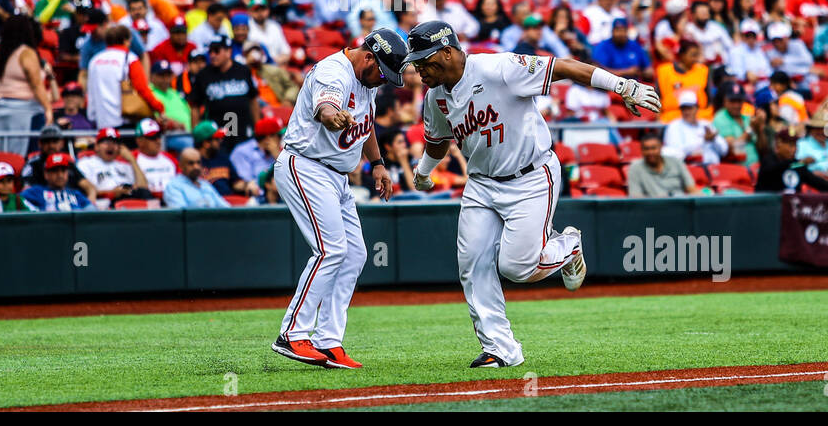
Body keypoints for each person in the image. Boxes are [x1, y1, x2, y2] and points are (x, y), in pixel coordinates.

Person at [405, 20, 660, 368]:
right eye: (416, 63)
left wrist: (622, 85)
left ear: (447, 51)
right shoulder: (435, 97)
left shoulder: (499, 68)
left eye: (423, 61)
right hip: (481, 184)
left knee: (517, 267)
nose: (418, 70)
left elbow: (565, 67)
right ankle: (500, 348)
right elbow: (437, 142)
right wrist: (422, 172)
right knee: (473, 264)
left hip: (531, 176)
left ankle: (568, 245)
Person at [270, 29, 406, 368]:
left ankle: (328, 340)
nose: (383, 82)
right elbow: (325, 107)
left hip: (336, 175)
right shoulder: (335, 71)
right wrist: (332, 116)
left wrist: (377, 163)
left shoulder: (366, 81)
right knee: (331, 249)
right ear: (369, 57)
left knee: (355, 253)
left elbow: (368, 124)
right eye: (383, 73)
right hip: (306, 165)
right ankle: (292, 332)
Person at [0, 15, 53, 156]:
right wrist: (48, 109)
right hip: (26, 113)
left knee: (2, 155)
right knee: (26, 156)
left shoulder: (1, 54)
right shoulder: (27, 53)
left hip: (1, 110)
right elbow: (36, 84)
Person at [755, 127, 828, 192]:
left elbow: (815, 181)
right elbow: (771, 170)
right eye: (791, 145)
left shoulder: (797, 165)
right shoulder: (769, 159)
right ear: (778, 145)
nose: (794, 149)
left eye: (795, 145)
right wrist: (798, 162)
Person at [626, 131, 697, 197]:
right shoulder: (635, 168)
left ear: (661, 148)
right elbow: (636, 196)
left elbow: (691, 188)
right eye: (646, 149)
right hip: (652, 207)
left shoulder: (676, 162)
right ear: (641, 150)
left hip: (679, 205)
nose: (650, 152)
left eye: (653, 148)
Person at [20, 152, 95, 211]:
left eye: (63, 171)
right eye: (55, 171)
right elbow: (15, 200)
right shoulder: (36, 191)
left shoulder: (76, 194)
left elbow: (92, 213)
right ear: (46, 174)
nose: (60, 175)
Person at [164, 147, 230, 209]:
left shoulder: (205, 184)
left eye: (198, 163)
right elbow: (181, 214)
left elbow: (225, 207)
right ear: (181, 166)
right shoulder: (174, 186)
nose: (196, 167)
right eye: (191, 163)